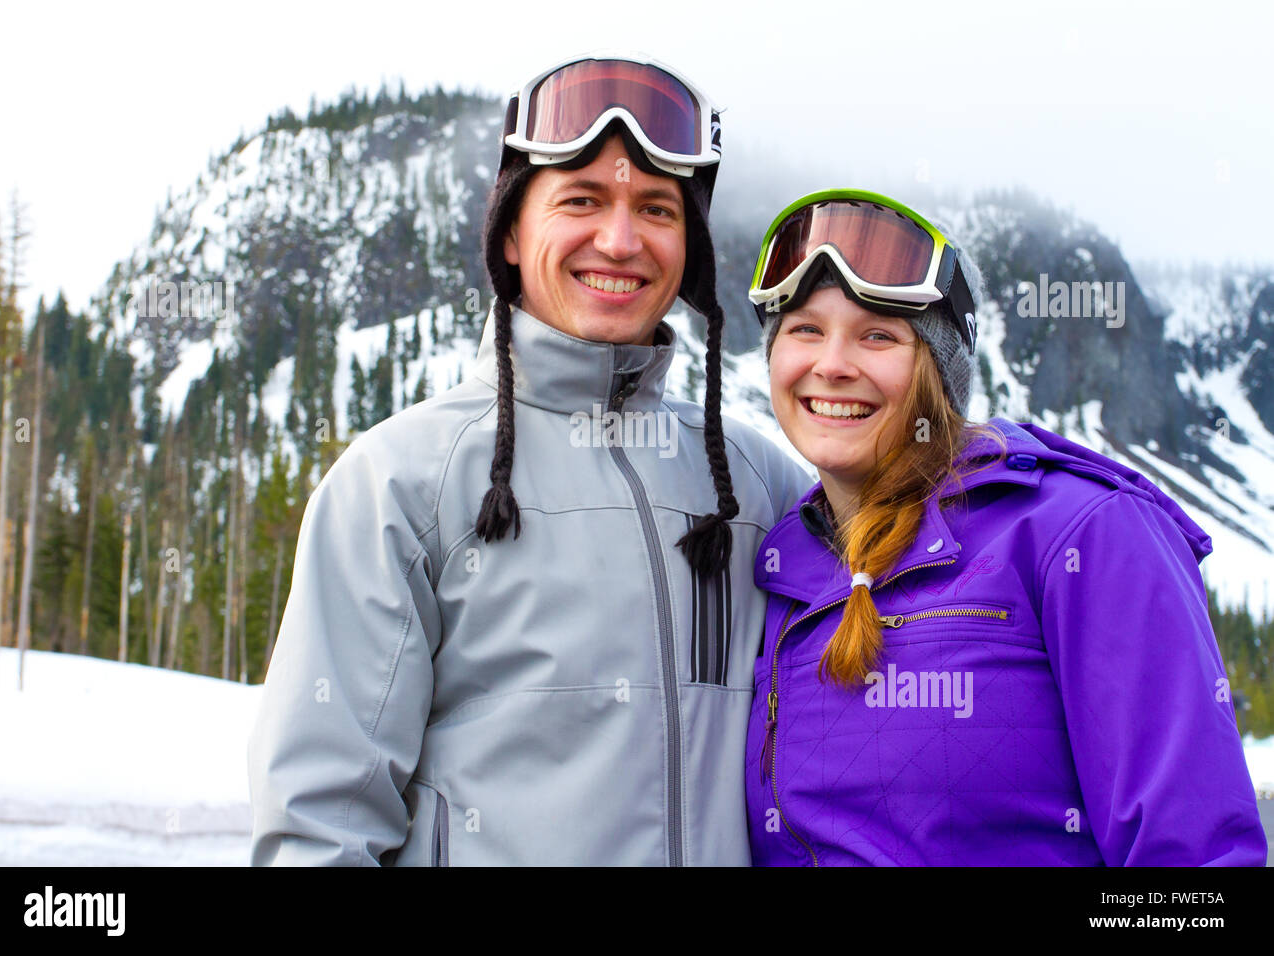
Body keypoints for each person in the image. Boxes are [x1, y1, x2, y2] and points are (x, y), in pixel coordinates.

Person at [246, 52, 812, 866]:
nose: (620, 241)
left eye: (656, 209)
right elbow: (318, 823)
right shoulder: (399, 483)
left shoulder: (759, 485)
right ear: (511, 233)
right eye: (581, 200)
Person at [742, 188, 1267, 865]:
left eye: (878, 334)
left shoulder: (1083, 532)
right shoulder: (780, 565)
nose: (833, 364)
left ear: (938, 372)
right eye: (805, 329)